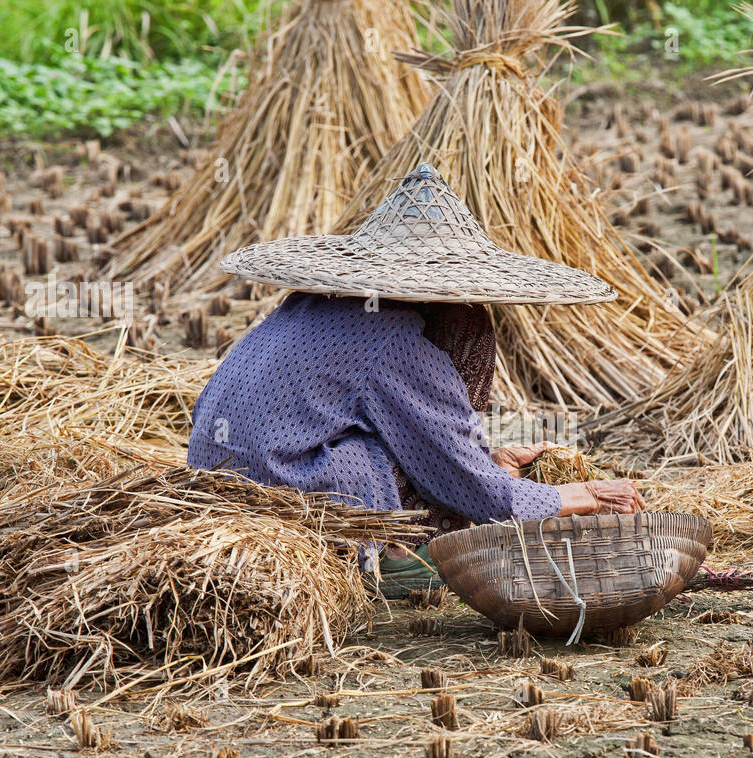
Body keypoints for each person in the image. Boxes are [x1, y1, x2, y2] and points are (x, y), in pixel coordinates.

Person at [188, 164, 645, 592]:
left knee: (415, 443)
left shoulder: (307, 304)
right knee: (418, 455)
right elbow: (472, 486)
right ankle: (390, 558)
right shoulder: (395, 339)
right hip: (281, 496)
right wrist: (584, 494)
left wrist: (490, 462)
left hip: (209, 483)